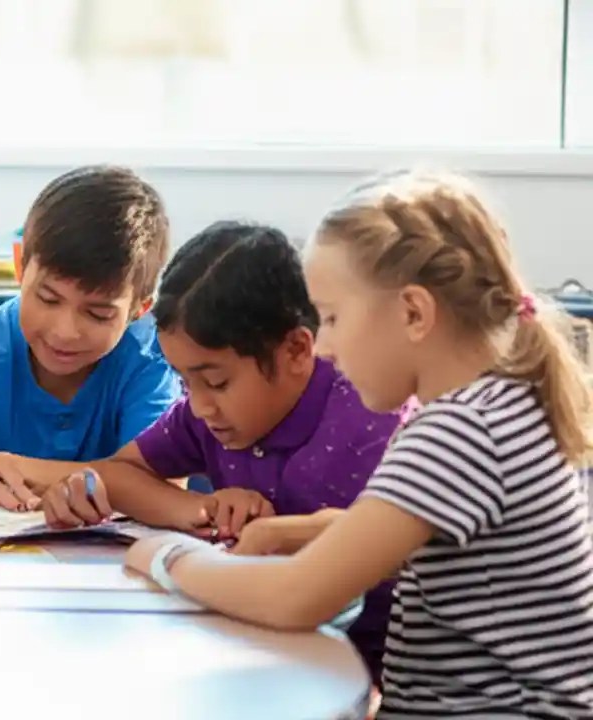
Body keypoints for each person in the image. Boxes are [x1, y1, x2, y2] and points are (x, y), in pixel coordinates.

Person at [127, 170, 593, 717]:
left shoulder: (457, 435)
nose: (322, 346)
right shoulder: (500, 406)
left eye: (331, 318)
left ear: (413, 314)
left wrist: (168, 558)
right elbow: (403, 535)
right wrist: (290, 531)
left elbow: (297, 598)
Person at [38, 220, 403, 679]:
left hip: (369, 674)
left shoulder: (372, 417)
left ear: (296, 350)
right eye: (185, 382)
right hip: (259, 648)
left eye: (215, 382)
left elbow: (371, 564)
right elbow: (119, 472)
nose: (200, 405)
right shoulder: (206, 413)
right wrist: (199, 507)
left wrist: (172, 559)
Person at [0, 165, 178, 511]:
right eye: (48, 298)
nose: (64, 332)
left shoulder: (151, 361)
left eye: (98, 314)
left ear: (139, 309)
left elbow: (163, 490)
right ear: (19, 265)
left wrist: (8, 467)